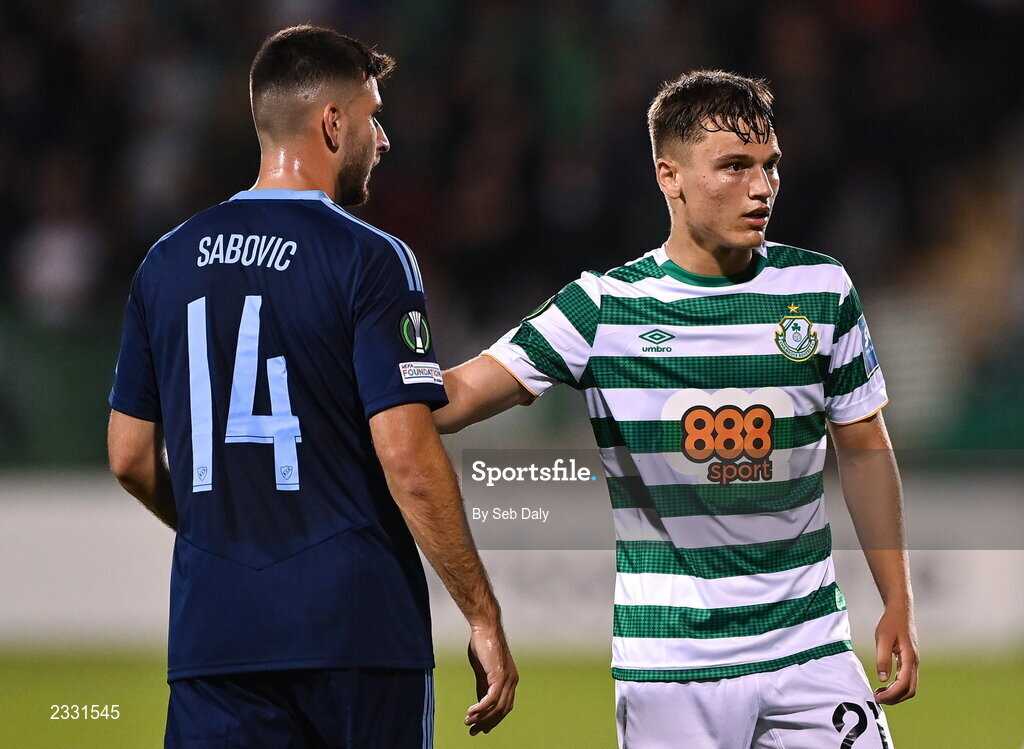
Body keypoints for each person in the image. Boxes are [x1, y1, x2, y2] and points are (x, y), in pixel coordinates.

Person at [434, 70, 918, 748]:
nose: (762, 188)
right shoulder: (604, 307)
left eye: (770, 166)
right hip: (672, 670)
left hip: (812, 652)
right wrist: (345, 376)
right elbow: (452, 397)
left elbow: (864, 445)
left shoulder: (820, 288)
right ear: (670, 176)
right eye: (734, 167)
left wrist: (896, 596)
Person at [107, 25, 516, 748]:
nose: (382, 139)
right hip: (355, 635)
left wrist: (219, 524)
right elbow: (408, 459)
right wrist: (482, 613)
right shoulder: (372, 259)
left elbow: (130, 457)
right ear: (333, 122)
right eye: (373, 116)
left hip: (215, 636)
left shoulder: (164, 263)